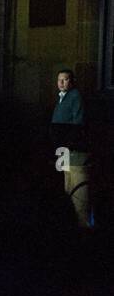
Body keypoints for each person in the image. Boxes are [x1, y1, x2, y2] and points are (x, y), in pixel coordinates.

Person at [50, 68, 89, 228]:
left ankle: (80, 223)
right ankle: (70, 222)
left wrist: (69, 142)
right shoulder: (62, 98)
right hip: (63, 147)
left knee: (75, 182)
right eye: (59, 80)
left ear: (71, 81)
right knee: (66, 180)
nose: (61, 83)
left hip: (70, 147)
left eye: (65, 79)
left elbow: (78, 121)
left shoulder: (75, 96)